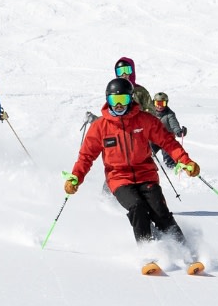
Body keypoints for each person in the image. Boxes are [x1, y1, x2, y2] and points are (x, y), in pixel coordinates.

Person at [65, 77, 201, 268]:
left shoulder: (145, 121)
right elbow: (86, 156)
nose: (119, 105)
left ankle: (188, 254)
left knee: (160, 213)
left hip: (146, 175)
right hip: (119, 179)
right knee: (137, 207)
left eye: (123, 100)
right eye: (114, 101)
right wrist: (76, 177)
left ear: (131, 99)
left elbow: (168, 142)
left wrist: (186, 161)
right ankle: (148, 254)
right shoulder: (100, 127)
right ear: (107, 100)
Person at [149, 91, 185, 169]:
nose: (159, 106)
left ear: (166, 103)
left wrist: (179, 132)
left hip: (166, 140)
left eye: (162, 104)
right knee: (146, 154)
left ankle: (172, 168)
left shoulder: (169, 114)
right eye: (157, 103)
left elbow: (174, 124)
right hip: (153, 140)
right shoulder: (150, 113)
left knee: (168, 156)